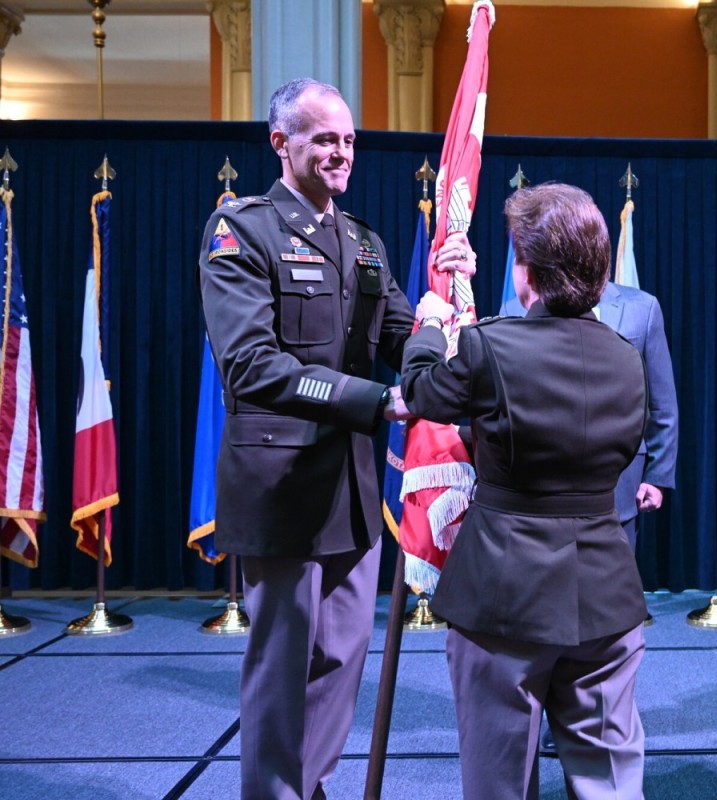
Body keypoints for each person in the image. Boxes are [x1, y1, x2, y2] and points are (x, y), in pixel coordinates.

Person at [197, 77, 474, 800]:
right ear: (280, 142)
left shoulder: (364, 243)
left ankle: (307, 787)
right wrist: (378, 401)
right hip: (280, 488)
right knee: (282, 669)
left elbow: (403, 340)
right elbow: (251, 366)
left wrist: (447, 308)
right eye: (324, 138)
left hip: (351, 494)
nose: (342, 153)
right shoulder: (241, 231)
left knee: (341, 664)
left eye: (349, 140)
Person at [400, 183, 650, 800]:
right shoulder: (626, 357)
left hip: (502, 598)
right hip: (604, 595)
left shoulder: (491, 347)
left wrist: (433, 322)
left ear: (528, 272)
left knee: (498, 783)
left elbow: (421, 392)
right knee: (612, 787)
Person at [500, 276, 677, 553]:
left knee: (615, 589)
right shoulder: (514, 311)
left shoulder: (643, 308)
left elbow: (662, 403)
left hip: (621, 487)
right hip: (542, 490)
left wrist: (657, 476)